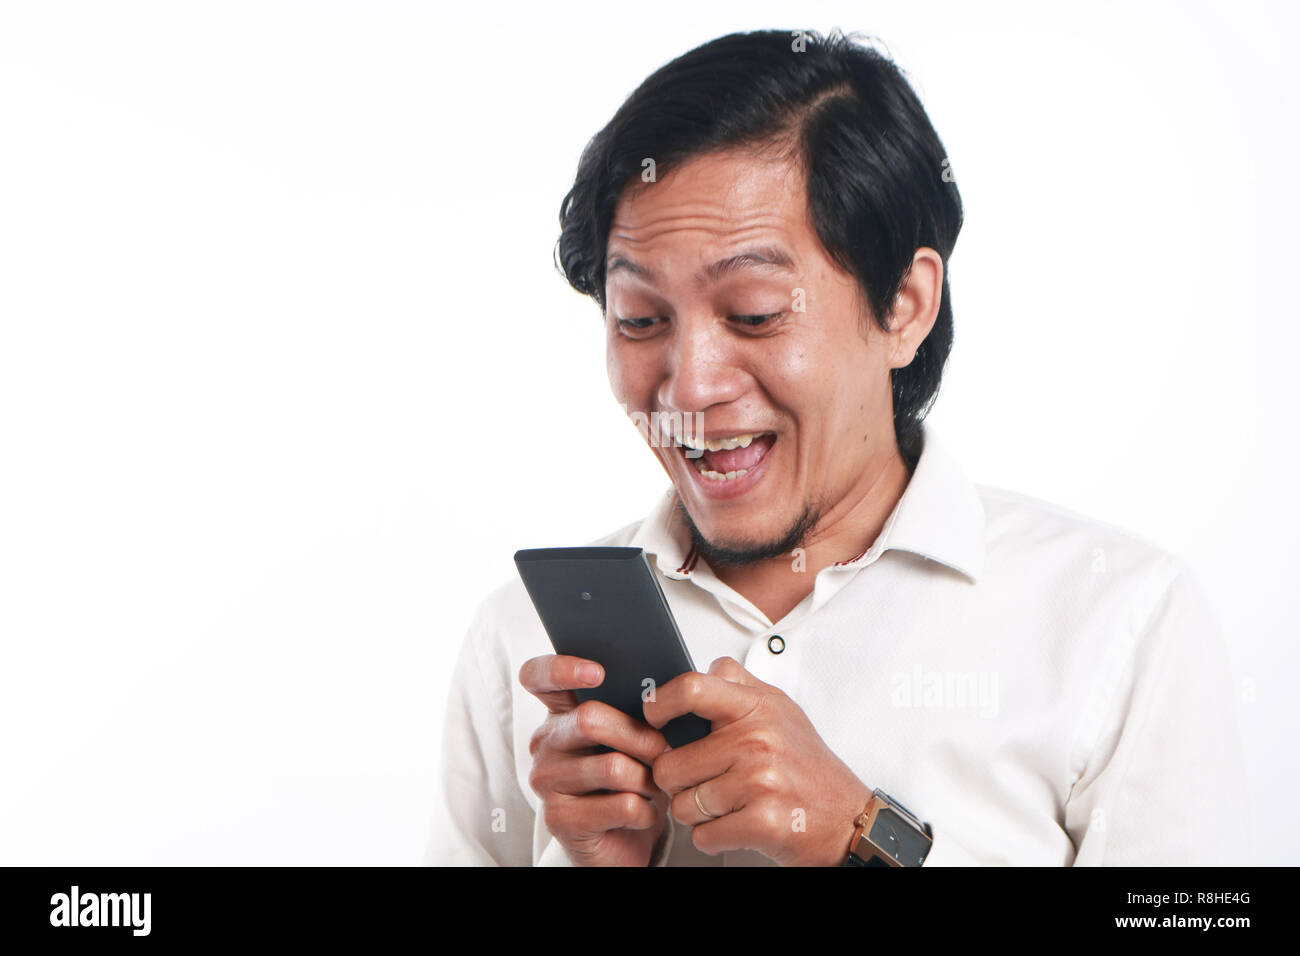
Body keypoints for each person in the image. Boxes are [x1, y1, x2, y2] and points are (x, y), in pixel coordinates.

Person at [424, 28, 1250, 866]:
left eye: (752, 311)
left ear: (904, 307)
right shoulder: (521, 644)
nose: (689, 386)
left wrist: (862, 840)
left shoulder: (1122, 623)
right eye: (639, 319)